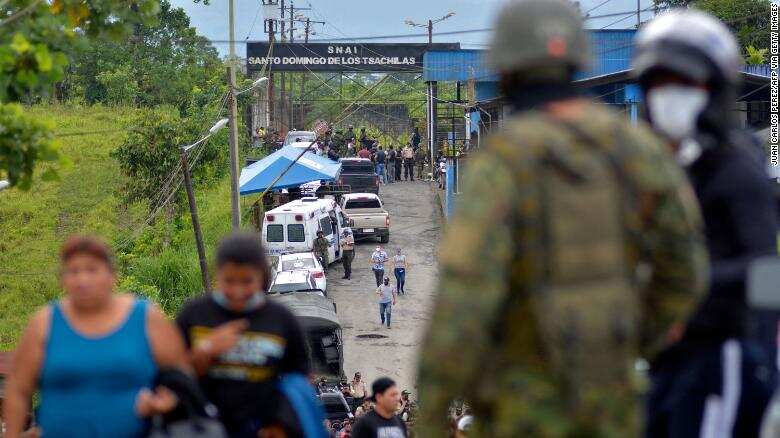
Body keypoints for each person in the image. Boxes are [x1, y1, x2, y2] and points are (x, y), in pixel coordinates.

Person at [416, 1, 708, 436]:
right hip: (616, 406)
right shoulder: (638, 149)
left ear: (507, 69)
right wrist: (627, 342)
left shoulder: (504, 161)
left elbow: (464, 298)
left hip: (522, 410)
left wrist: (432, 416)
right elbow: (685, 275)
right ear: (576, 60)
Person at [632, 10, 779, 437]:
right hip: (670, 360)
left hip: (724, 357)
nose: (668, 95)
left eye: (684, 83)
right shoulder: (667, 168)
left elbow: (769, 273)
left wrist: (685, 289)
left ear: (713, 89)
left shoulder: (734, 168)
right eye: (658, 84)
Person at [3, 236, 189, 438]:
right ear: (63, 279)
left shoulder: (145, 318)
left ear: (112, 275)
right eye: (73, 272)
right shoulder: (44, 323)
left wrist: (165, 400)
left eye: (92, 270)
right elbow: (18, 390)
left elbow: (181, 377)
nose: (83, 280)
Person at [176, 233, 312, 437]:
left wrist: (282, 423)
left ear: (262, 276)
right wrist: (206, 349)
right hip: (202, 427)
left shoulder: (281, 319)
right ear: (217, 274)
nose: (238, 291)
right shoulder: (195, 314)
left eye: (247, 281)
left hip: (262, 427)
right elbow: (170, 373)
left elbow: (300, 378)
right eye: (229, 281)